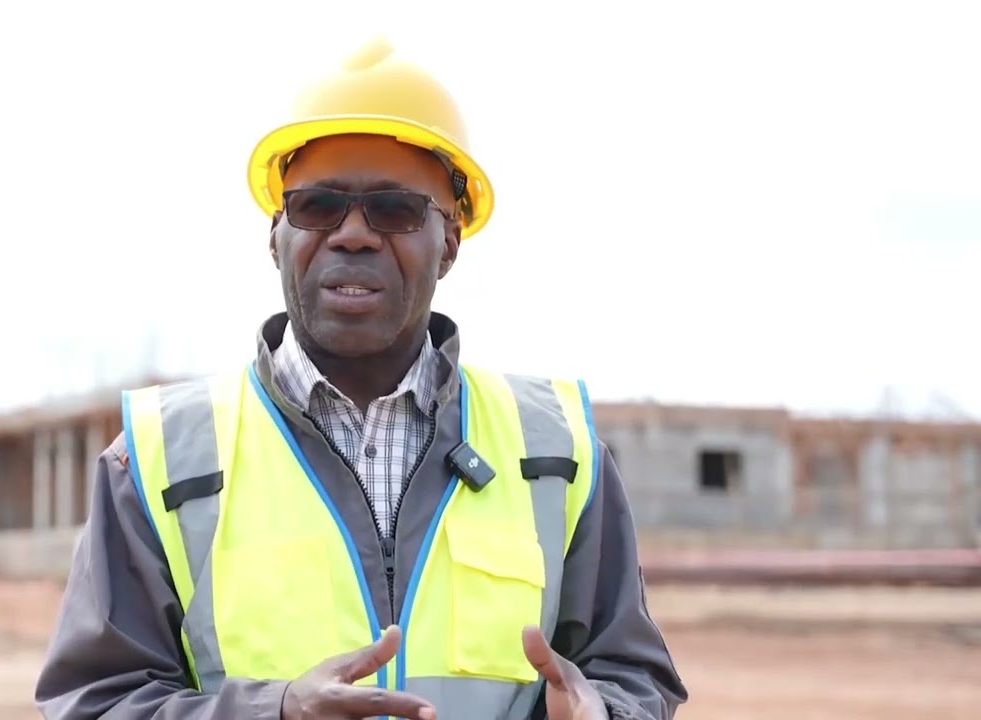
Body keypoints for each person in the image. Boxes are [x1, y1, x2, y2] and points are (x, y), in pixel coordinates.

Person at [35, 36, 687, 720]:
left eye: (395, 209)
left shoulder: (556, 454)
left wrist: (604, 712)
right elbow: (95, 703)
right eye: (317, 206)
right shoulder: (160, 460)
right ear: (276, 234)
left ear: (450, 242)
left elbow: (631, 677)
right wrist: (274, 712)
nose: (352, 234)